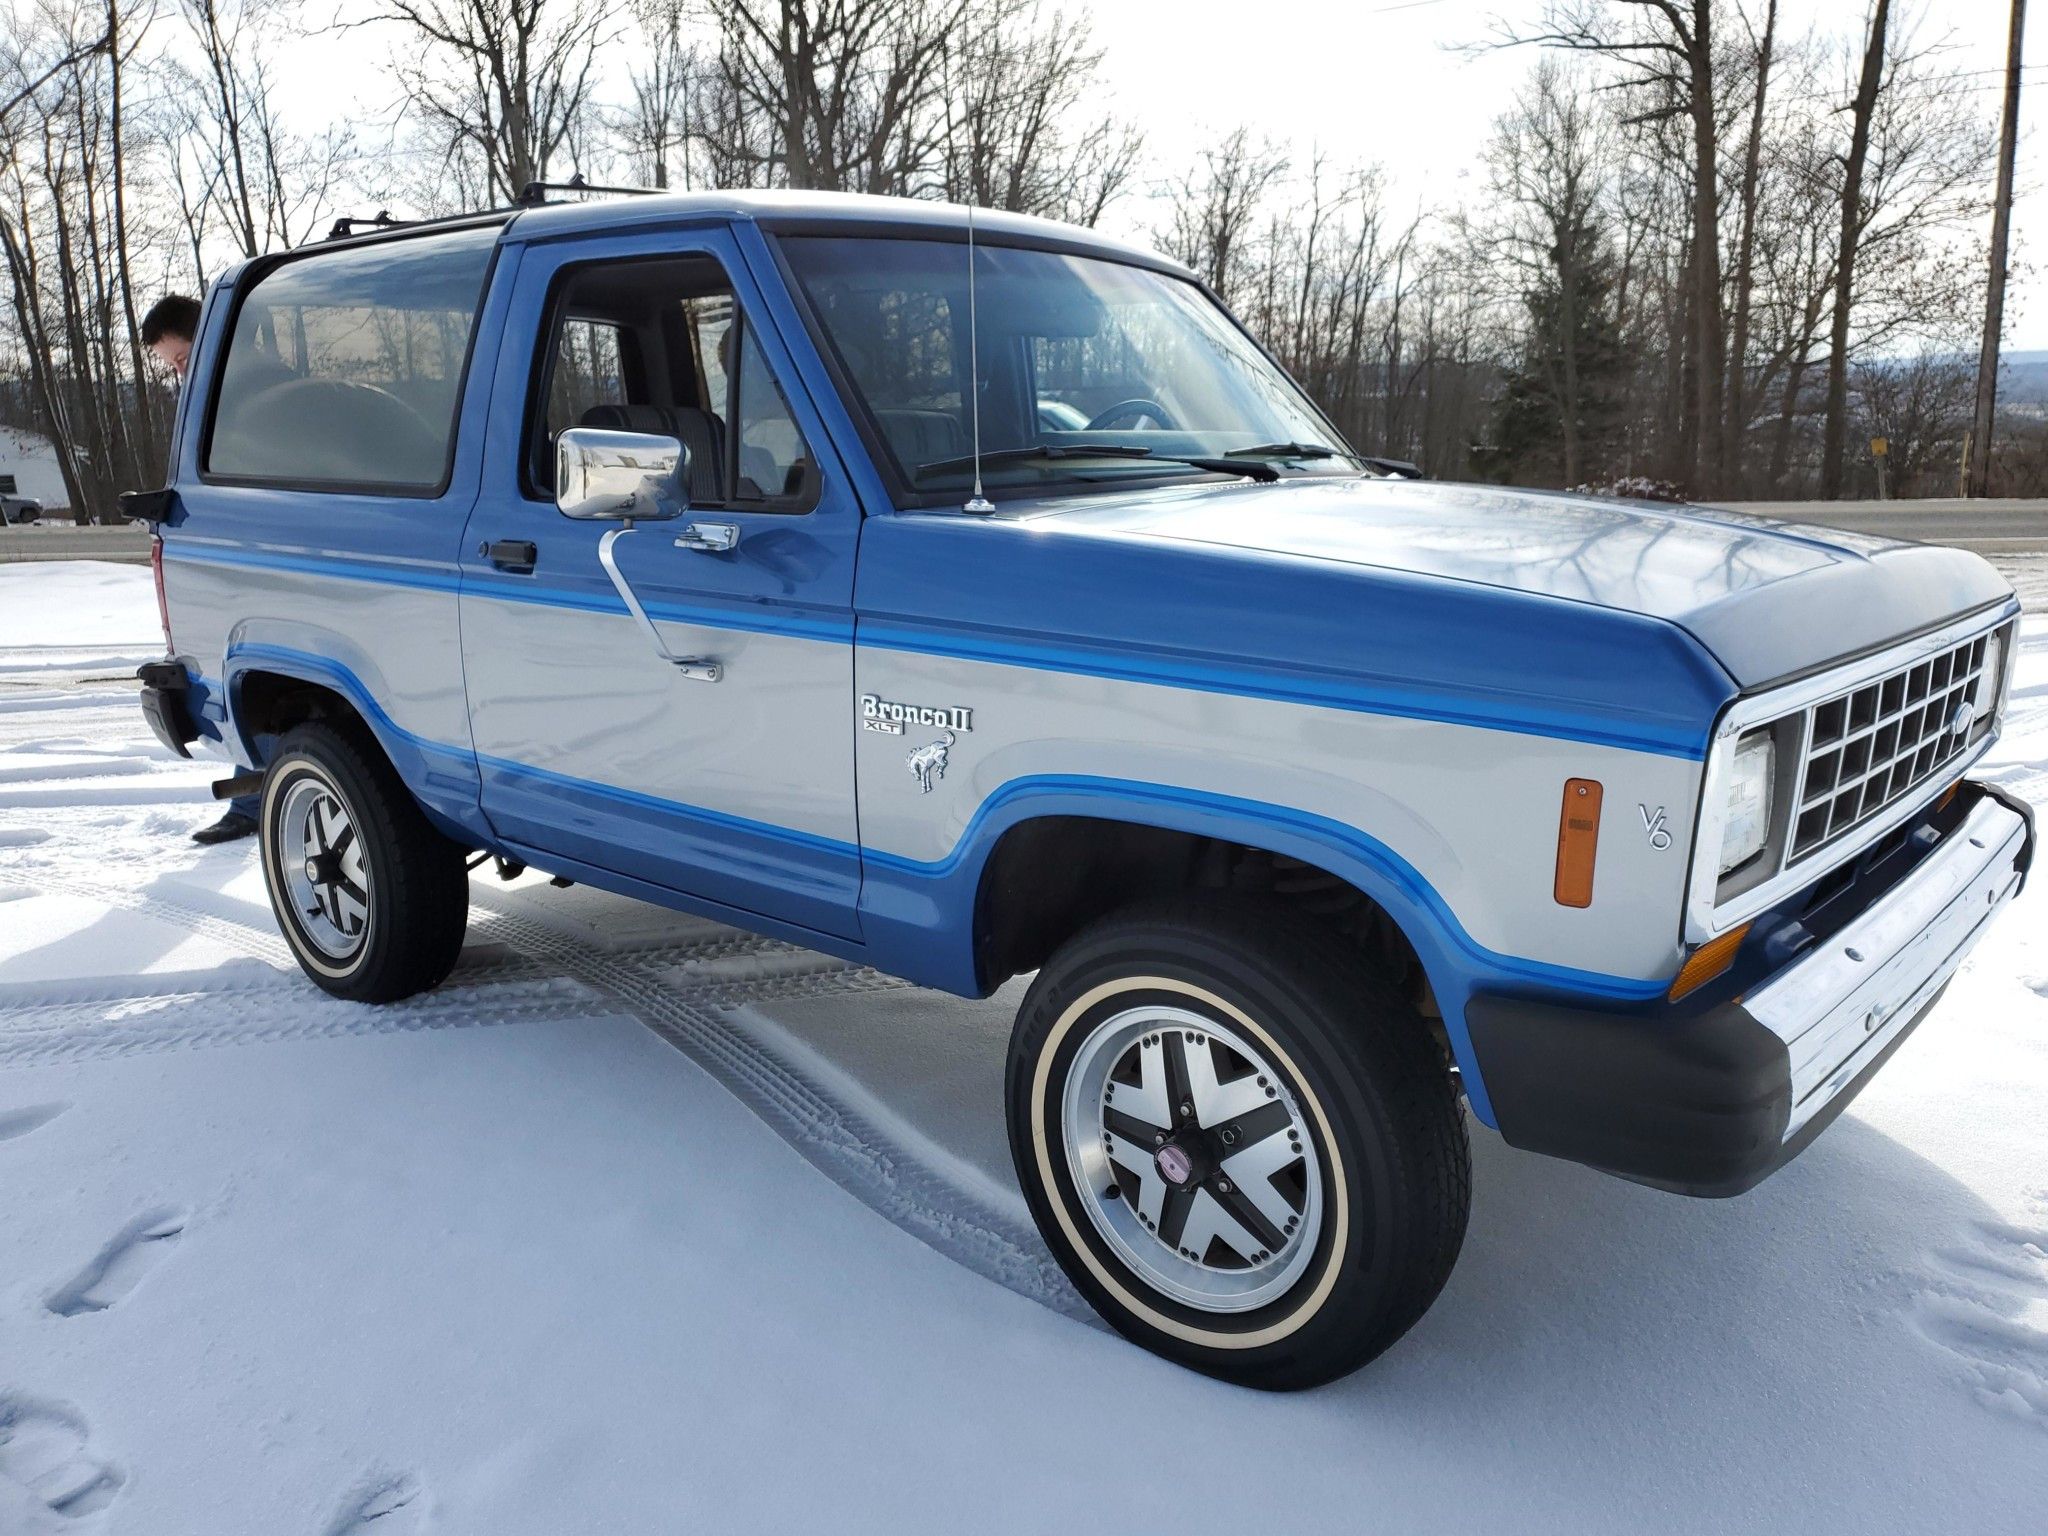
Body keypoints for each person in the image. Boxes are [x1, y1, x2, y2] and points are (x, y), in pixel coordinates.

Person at [143, 294, 258, 847]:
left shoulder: (254, 396)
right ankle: (253, 797)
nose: (180, 374)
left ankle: (257, 800)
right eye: (172, 366)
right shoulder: (219, 399)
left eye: (183, 359)